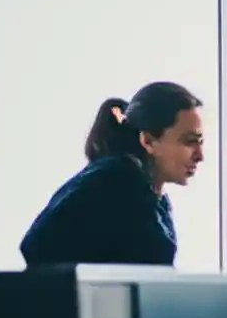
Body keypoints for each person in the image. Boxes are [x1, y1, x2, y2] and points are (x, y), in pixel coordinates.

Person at [20, 81, 204, 266]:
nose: (200, 156)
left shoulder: (143, 191)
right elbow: (39, 246)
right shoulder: (118, 183)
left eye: (200, 142)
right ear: (148, 140)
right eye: (189, 141)